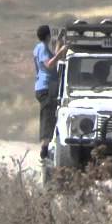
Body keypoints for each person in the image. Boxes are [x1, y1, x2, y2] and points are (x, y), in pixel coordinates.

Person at [34, 24, 68, 159]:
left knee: (50, 116)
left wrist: (59, 42)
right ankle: (44, 147)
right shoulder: (42, 48)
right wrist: (61, 52)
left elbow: (54, 57)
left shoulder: (40, 48)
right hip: (46, 87)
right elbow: (50, 64)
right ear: (48, 36)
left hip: (43, 86)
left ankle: (48, 145)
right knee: (48, 117)